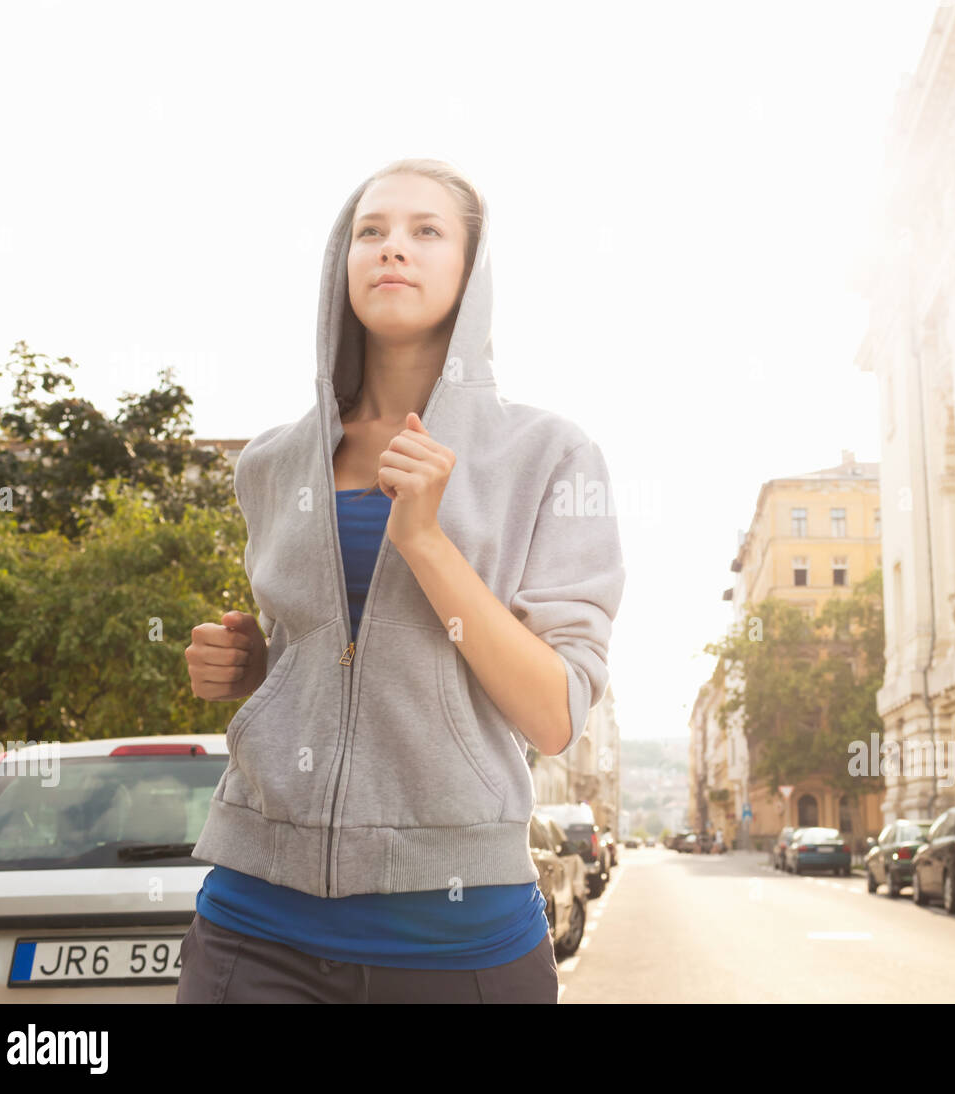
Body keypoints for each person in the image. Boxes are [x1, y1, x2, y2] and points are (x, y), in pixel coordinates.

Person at [179, 158, 626, 1003]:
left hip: (456, 938)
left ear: (470, 272)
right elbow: (330, 671)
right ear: (339, 265)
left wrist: (424, 538)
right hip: (254, 921)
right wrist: (253, 669)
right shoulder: (273, 462)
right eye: (371, 232)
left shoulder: (551, 455)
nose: (393, 249)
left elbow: (555, 711)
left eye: (427, 232)